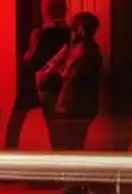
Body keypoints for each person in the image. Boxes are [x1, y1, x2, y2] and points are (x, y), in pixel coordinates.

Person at [5, 0, 70, 148]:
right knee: (55, 128)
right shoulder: (69, 33)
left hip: (37, 84)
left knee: (16, 121)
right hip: (56, 85)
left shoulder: (41, 35)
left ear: (46, 10)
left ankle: (10, 150)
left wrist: (30, 48)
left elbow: (31, 61)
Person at [37, 12, 101, 150]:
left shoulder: (85, 54)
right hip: (75, 107)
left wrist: (58, 69)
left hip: (71, 108)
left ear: (79, 30)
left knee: (66, 146)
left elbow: (74, 79)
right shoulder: (83, 51)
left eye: (74, 28)